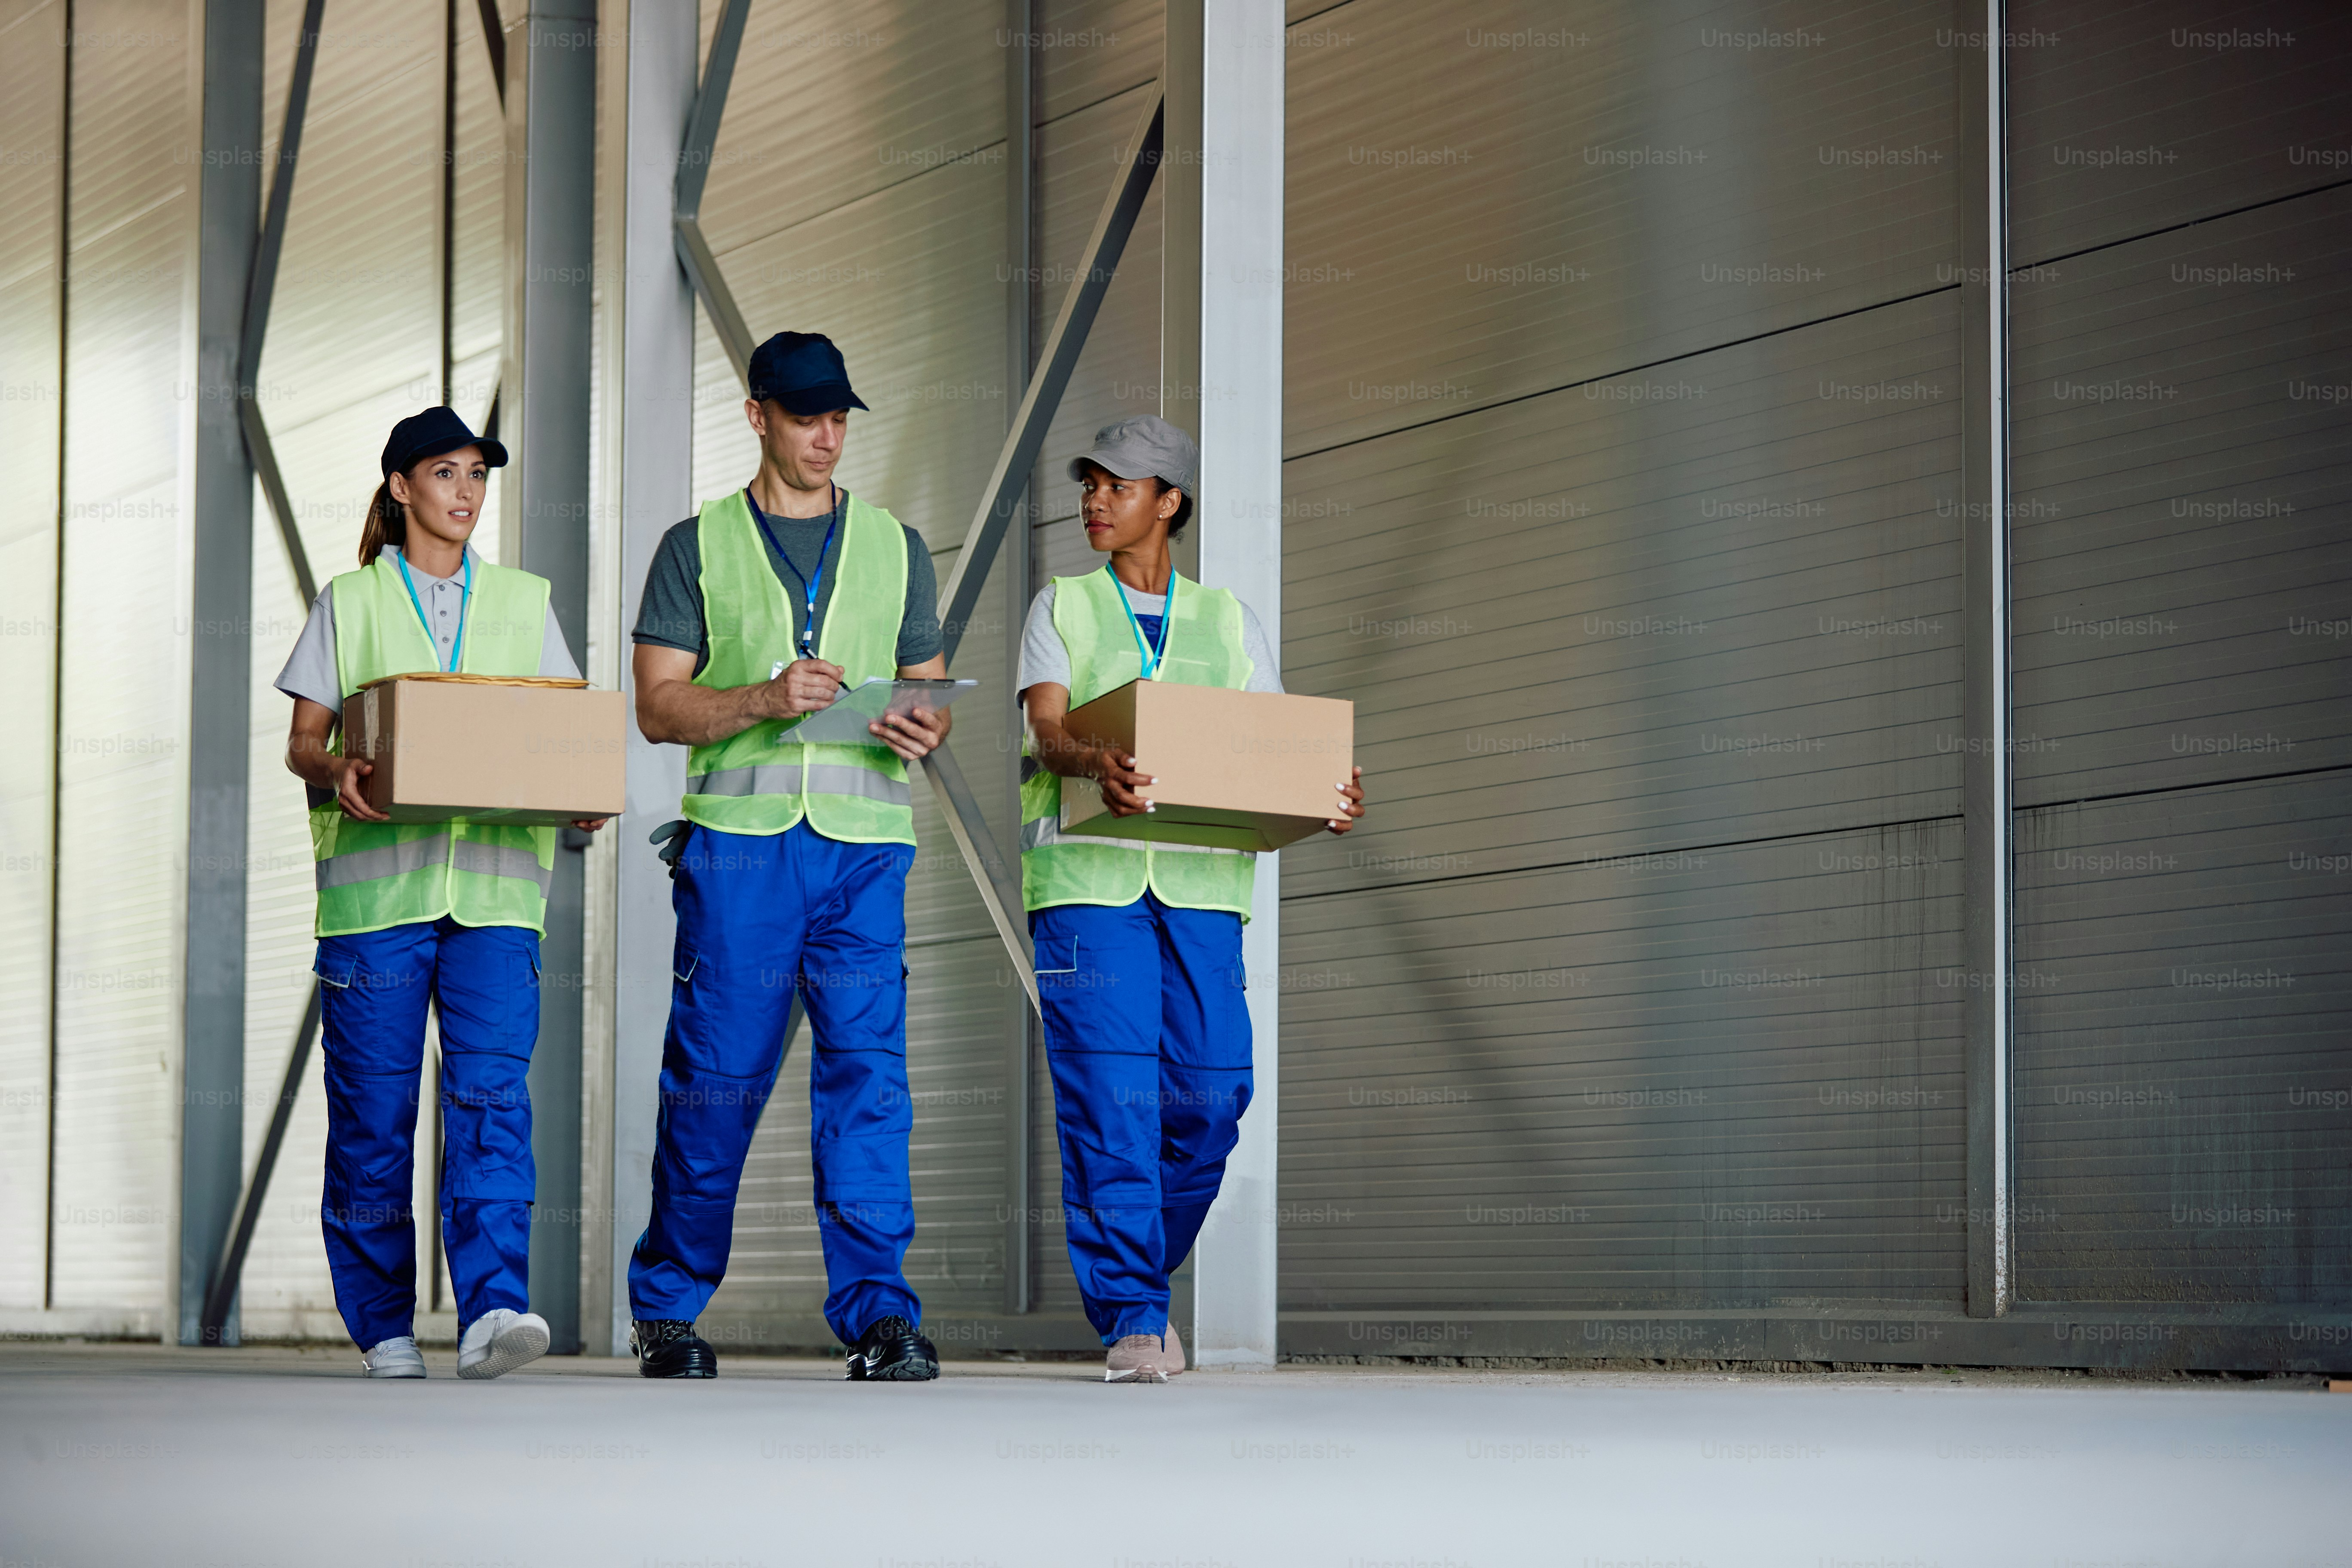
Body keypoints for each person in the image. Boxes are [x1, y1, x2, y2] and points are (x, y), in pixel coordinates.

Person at [624, 331, 952, 1381]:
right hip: (742, 858)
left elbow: (927, 690)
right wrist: (764, 699)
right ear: (758, 414)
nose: (828, 436)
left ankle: (879, 1317)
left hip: (863, 854)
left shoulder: (898, 546)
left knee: (870, 1080)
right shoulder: (696, 546)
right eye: (807, 416)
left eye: (841, 417)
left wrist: (920, 727)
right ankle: (667, 1309)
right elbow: (658, 707)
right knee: (715, 1083)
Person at [1017, 416, 1366, 1383]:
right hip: (1090, 889)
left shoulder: (1228, 621)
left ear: (1168, 503)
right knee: (1110, 1103)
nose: (1094, 499)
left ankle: (1137, 1262)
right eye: (1089, 483)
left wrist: (1327, 791)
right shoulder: (1064, 607)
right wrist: (1096, 761)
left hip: (1204, 890)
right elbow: (1048, 733)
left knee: (1213, 1097)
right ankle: (1132, 1313)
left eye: (1118, 486)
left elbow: (1275, 748)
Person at [276, 406, 608, 1380]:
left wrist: (581, 801)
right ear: (400, 487)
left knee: (493, 1101)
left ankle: (493, 1307)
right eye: (446, 473)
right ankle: (382, 1326)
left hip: (497, 905)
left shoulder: (523, 600)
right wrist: (330, 765)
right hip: (376, 909)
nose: (466, 491)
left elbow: (562, 738)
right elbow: (302, 739)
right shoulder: (352, 600)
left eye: (478, 474)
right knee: (374, 1118)